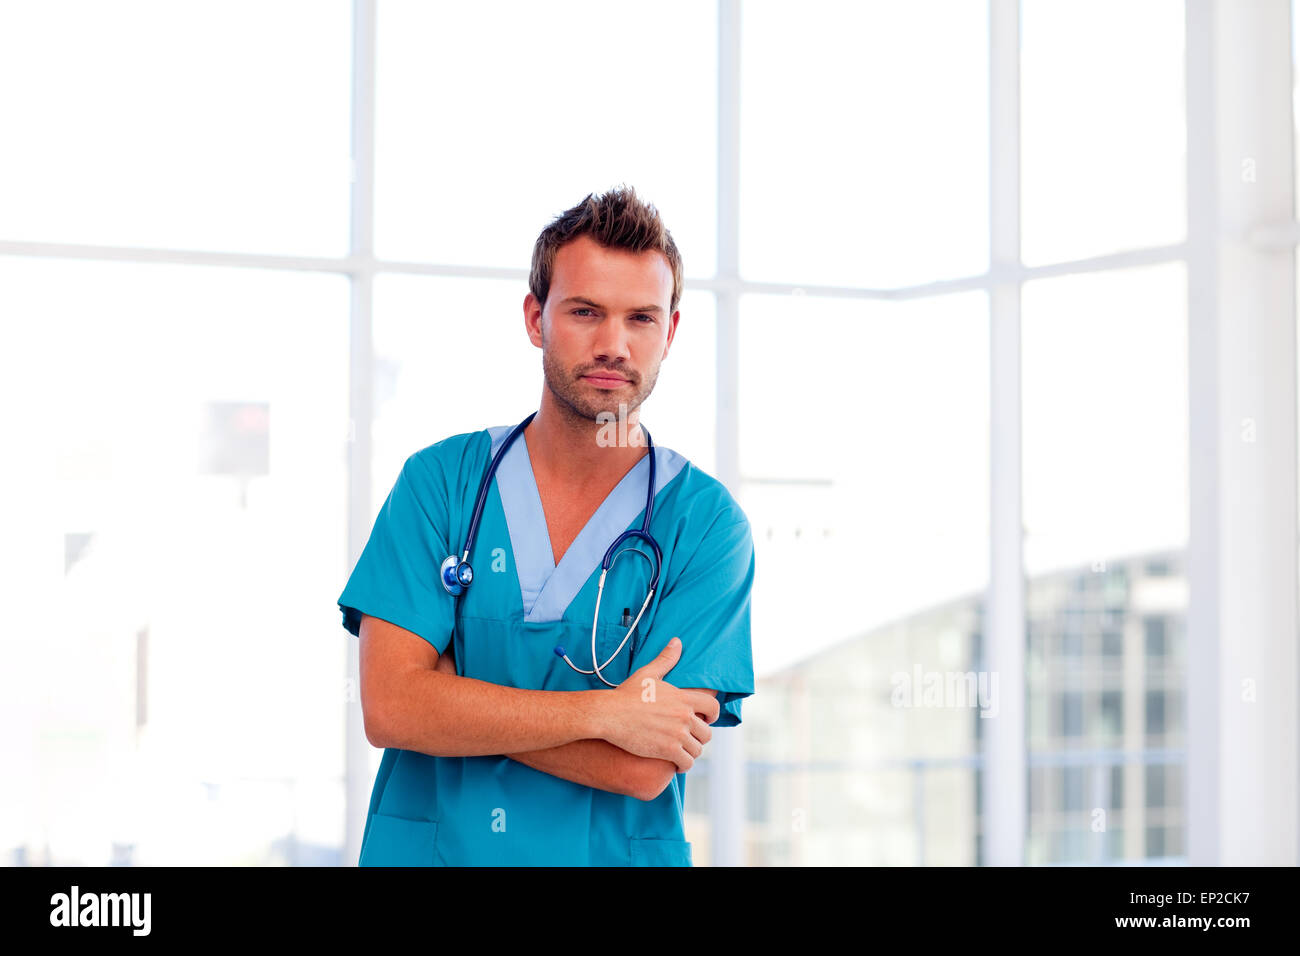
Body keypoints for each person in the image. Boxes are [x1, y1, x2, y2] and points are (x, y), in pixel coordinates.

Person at [336, 184, 756, 866]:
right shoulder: (441, 484)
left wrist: (449, 698)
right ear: (537, 319)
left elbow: (642, 768)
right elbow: (390, 709)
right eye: (585, 312)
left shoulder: (706, 528)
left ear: (670, 332)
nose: (613, 344)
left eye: (641, 318)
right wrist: (603, 714)